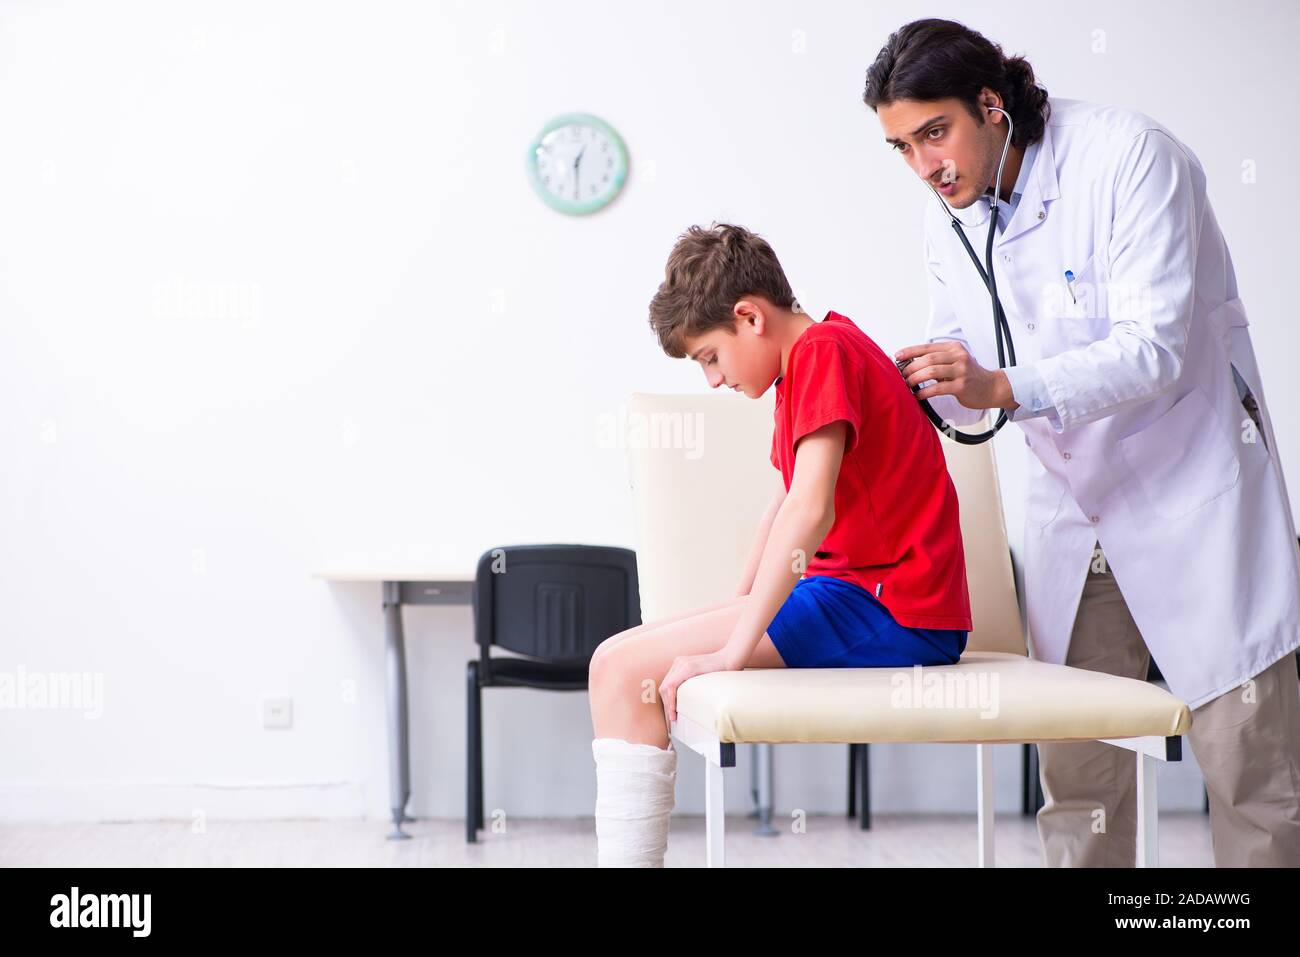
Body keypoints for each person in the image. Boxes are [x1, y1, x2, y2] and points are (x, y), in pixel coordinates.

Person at [865, 17, 1300, 866]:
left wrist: (1000, 385)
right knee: (1079, 771)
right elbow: (967, 369)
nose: (924, 166)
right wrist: (927, 392)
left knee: (1251, 769)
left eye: (934, 132)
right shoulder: (949, 217)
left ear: (990, 104)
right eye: (902, 148)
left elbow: (1155, 346)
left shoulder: (1132, 158)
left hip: (1196, 489)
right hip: (1075, 504)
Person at [586, 222, 973, 866]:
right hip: (857, 597)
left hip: (894, 610)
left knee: (620, 670)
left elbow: (810, 510)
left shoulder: (824, 350)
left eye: (710, 356)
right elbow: (781, 506)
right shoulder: (809, 363)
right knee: (621, 659)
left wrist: (731, 651)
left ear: (749, 317)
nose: (712, 379)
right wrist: (730, 620)